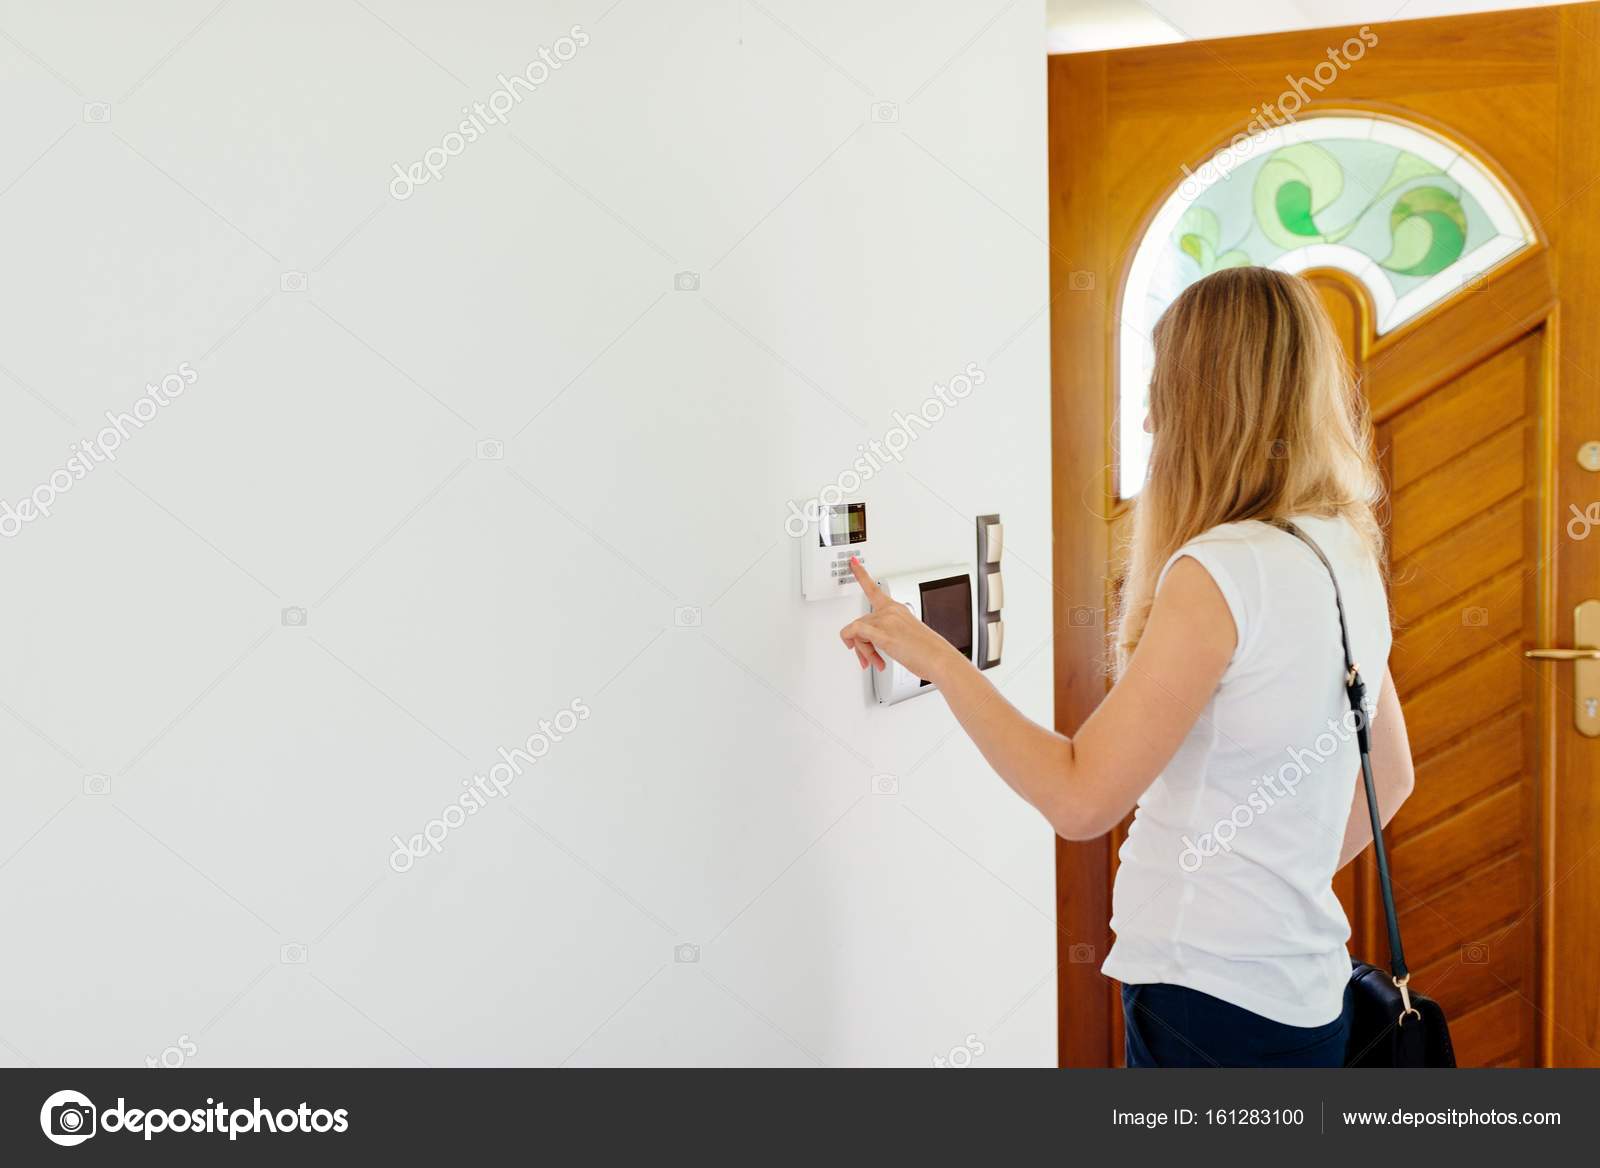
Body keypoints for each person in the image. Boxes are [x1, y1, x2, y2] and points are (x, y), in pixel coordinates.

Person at [838, 266, 1414, 1067]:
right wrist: (1273, 886)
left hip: (1206, 999)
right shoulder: (1342, 548)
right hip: (1304, 988)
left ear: (1208, 405)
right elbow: (1392, 771)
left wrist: (936, 654)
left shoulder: (1218, 574)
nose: (1147, 418)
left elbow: (1079, 799)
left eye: (1163, 392)